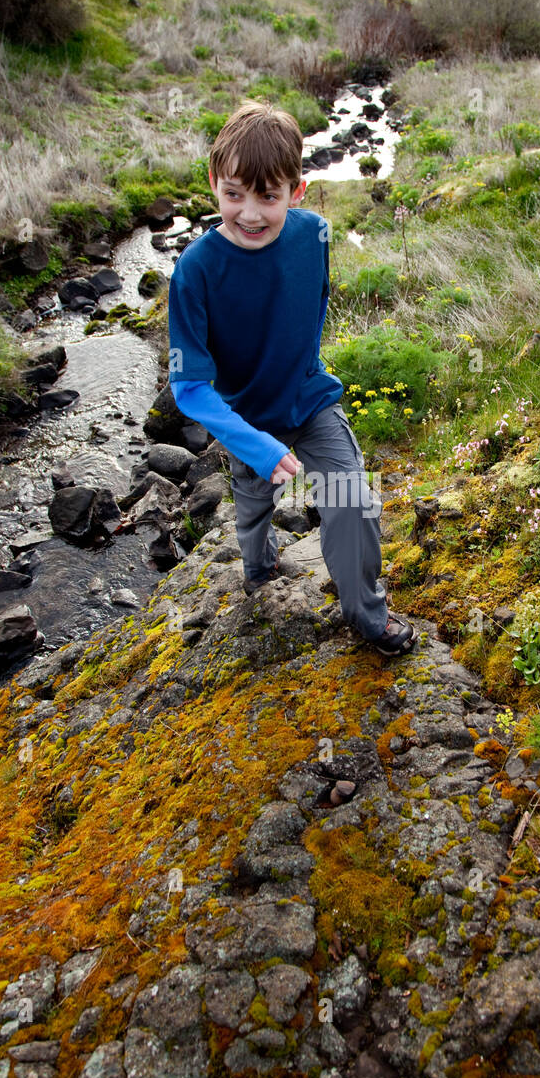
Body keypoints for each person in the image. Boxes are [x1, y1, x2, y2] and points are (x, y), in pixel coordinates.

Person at [167, 98, 417, 663]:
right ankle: (259, 568)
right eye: (233, 194)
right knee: (253, 509)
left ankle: (366, 617)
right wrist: (253, 442)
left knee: (351, 499)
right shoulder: (194, 272)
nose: (250, 213)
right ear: (213, 183)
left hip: (309, 399)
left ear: (297, 191)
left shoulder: (317, 236)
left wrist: (297, 371)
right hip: (245, 416)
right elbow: (189, 387)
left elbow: (311, 308)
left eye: (268, 196)